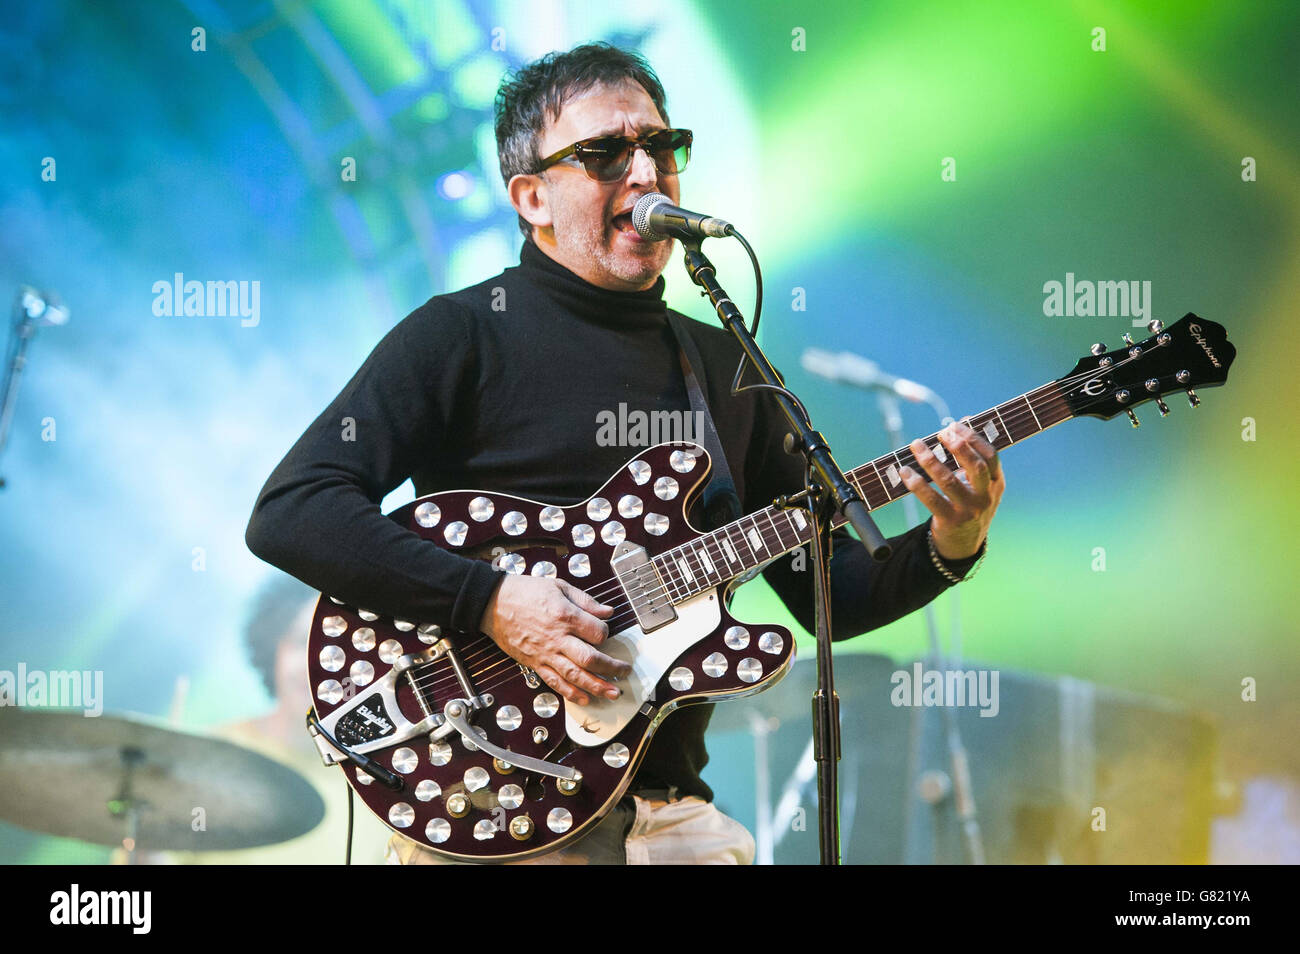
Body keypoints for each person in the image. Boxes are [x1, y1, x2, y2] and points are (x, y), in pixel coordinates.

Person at [245, 42, 1005, 865]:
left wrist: (952, 540)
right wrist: (490, 601)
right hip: (500, 801)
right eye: (606, 153)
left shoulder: (726, 367)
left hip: (674, 824)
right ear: (531, 196)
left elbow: (831, 599)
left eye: (662, 146)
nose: (646, 171)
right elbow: (293, 511)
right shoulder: (462, 335)